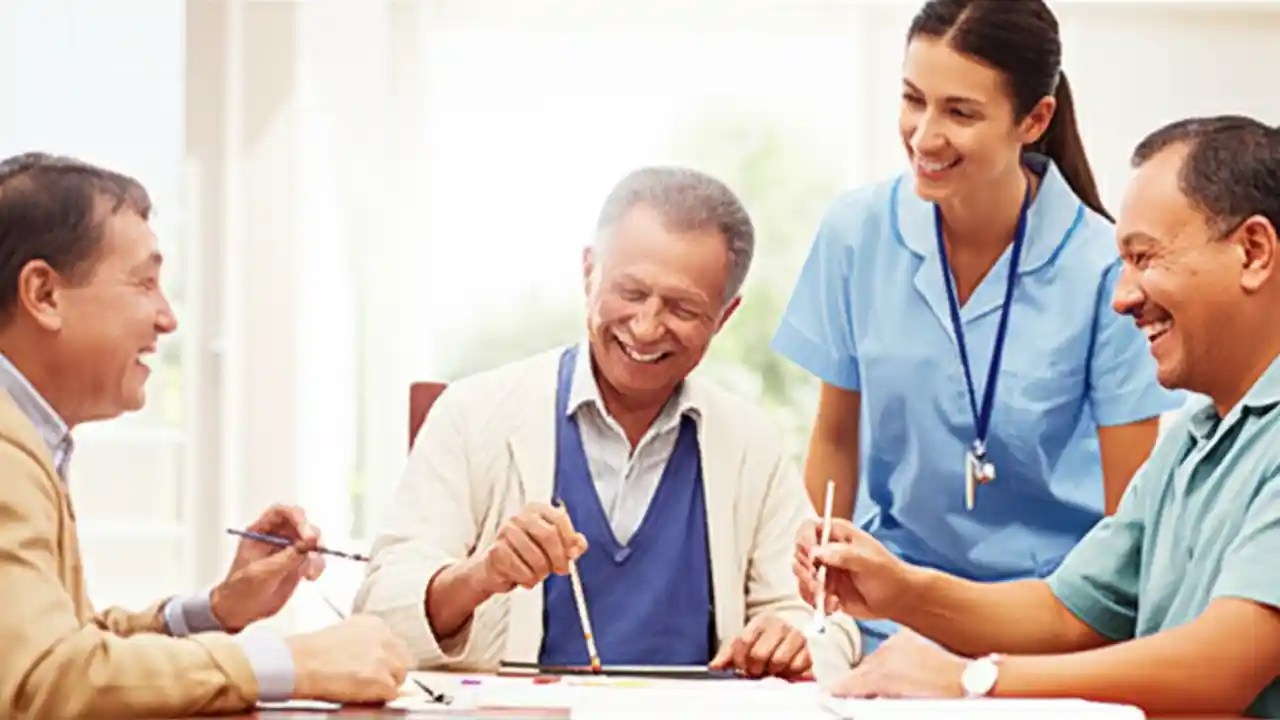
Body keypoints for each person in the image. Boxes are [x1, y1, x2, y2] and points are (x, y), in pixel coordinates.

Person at [798, 115, 1280, 717]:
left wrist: (974, 680)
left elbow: (1225, 664)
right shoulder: (1194, 440)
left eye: (1145, 257)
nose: (1122, 296)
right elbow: (1068, 612)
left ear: (1254, 252)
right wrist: (901, 590)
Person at [775, 0, 1181, 653]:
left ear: (1035, 119)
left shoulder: (1106, 270)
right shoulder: (857, 233)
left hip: (1047, 621)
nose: (924, 135)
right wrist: (818, 596)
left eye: (960, 112)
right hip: (889, 616)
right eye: (913, 99)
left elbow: (1125, 520)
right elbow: (835, 439)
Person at [354, 167, 859, 677]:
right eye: (631, 293)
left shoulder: (752, 444)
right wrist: (482, 574)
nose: (645, 327)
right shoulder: (472, 413)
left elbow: (825, 623)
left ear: (724, 316)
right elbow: (381, 614)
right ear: (589, 272)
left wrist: (792, 640)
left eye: (683, 308)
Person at [0, 153, 412, 719]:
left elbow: (70, 642)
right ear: (44, 294)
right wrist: (293, 663)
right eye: (144, 284)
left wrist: (216, 609)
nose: (168, 318)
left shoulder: (29, 437)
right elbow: (43, 681)